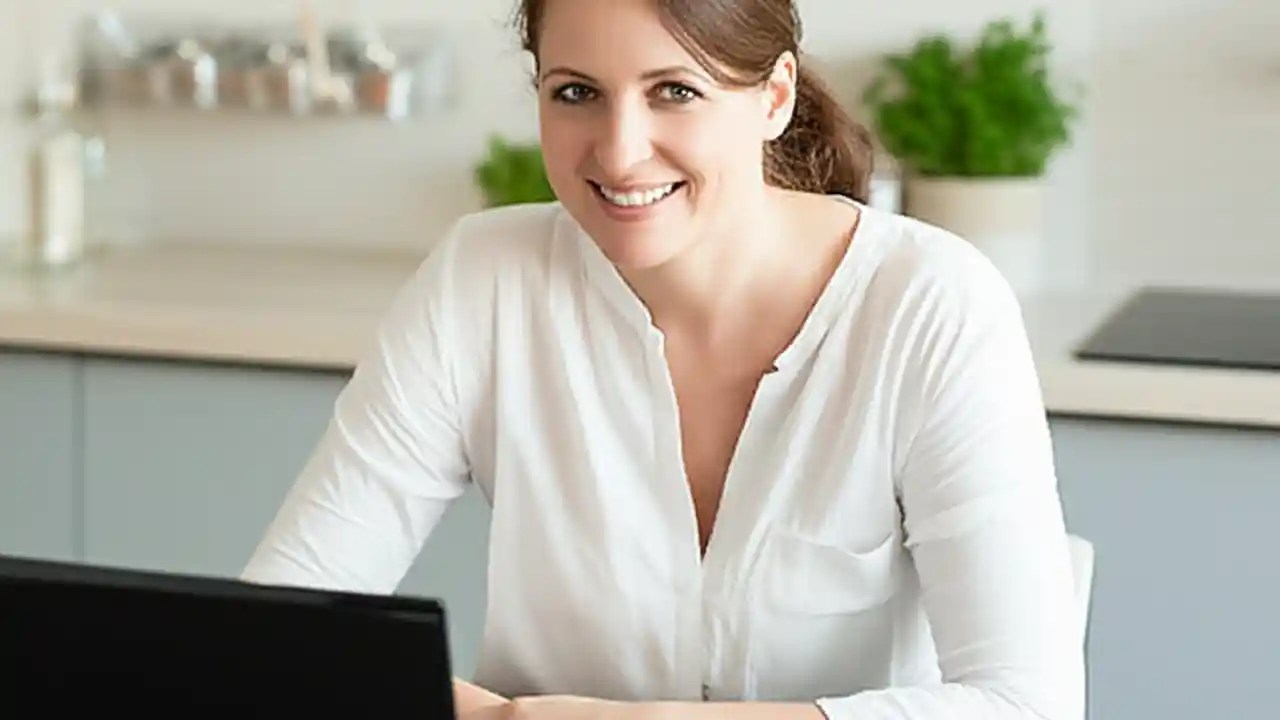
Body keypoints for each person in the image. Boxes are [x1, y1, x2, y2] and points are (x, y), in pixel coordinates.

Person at [240, 0, 1085, 718]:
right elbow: (273, 635)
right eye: (576, 93)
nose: (619, 152)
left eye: (674, 91)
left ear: (774, 97)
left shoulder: (930, 305)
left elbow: (1026, 705)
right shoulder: (482, 280)